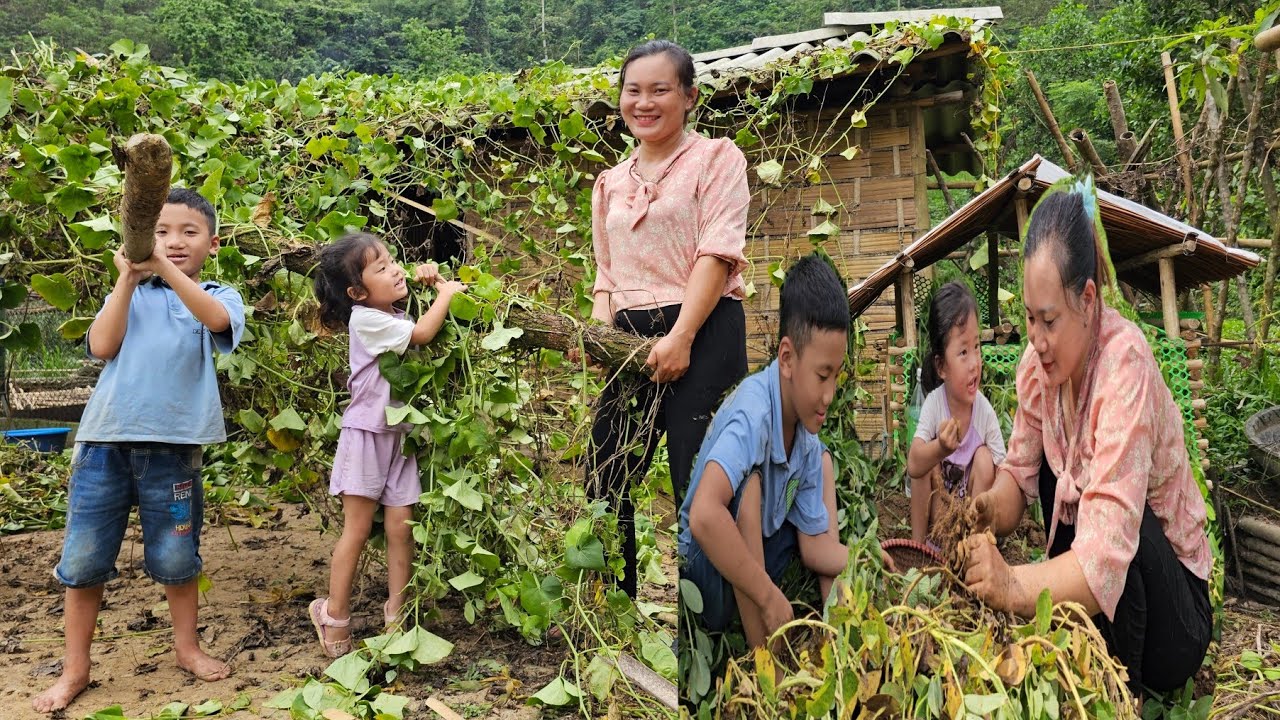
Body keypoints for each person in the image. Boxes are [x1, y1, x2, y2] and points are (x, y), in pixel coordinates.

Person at [960, 177, 1212, 697]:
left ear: (1089, 298)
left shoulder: (1125, 366)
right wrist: (987, 507)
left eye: (1049, 320)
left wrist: (1013, 585)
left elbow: (1108, 548)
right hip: (1109, 592)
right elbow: (1019, 478)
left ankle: (1129, 690)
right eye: (1029, 318)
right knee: (1058, 472)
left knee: (1124, 510)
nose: (1037, 339)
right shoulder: (1038, 369)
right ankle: (1093, 643)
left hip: (1172, 615)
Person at [33, 189, 246, 713]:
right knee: (83, 563)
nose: (174, 242)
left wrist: (164, 270)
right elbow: (103, 346)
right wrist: (127, 278)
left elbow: (217, 322)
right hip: (103, 446)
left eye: (188, 232)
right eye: (161, 232)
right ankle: (76, 669)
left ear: (212, 244)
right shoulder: (130, 293)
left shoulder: (218, 293)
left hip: (173, 453)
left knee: (177, 558)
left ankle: (187, 649)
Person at [583, 39, 750, 598]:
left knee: (698, 480)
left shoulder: (717, 158)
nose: (644, 102)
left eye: (660, 90)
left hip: (705, 329)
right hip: (631, 338)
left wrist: (681, 336)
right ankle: (613, 609)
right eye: (634, 91)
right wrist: (598, 337)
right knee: (607, 469)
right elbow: (607, 276)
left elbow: (717, 253)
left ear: (689, 97)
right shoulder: (609, 183)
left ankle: (708, 627)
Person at [679, 255, 850, 647]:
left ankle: (837, 633)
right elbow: (706, 515)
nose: (829, 395)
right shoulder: (753, 410)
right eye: (822, 376)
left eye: (836, 377)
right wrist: (769, 595)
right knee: (750, 489)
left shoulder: (806, 438)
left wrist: (869, 558)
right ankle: (764, 666)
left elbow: (816, 547)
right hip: (708, 575)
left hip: (756, 559)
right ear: (787, 358)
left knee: (822, 460)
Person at [308, 232, 466, 656]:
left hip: (399, 435)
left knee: (402, 528)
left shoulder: (386, 312)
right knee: (357, 529)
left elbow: (409, 319)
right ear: (356, 292)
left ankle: (397, 616)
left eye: (394, 260)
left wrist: (431, 279)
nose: (396, 269)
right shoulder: (365, 318)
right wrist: (446, 294)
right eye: (381, 268)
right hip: (365, 435)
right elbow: (422, 334)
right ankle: (334, 617)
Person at [907, 281, 1005, 545]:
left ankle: (974, 550)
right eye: (963, 352)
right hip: (937, 527)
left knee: (986, 459)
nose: (975, 362)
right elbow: (913, 464)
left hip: (967, 528)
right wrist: (939, 448)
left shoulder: (983, 413)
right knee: (925, 458)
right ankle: (917, 549)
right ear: (941, 367)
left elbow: (1004, 474)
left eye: (976, 347)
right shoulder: (934, 405)